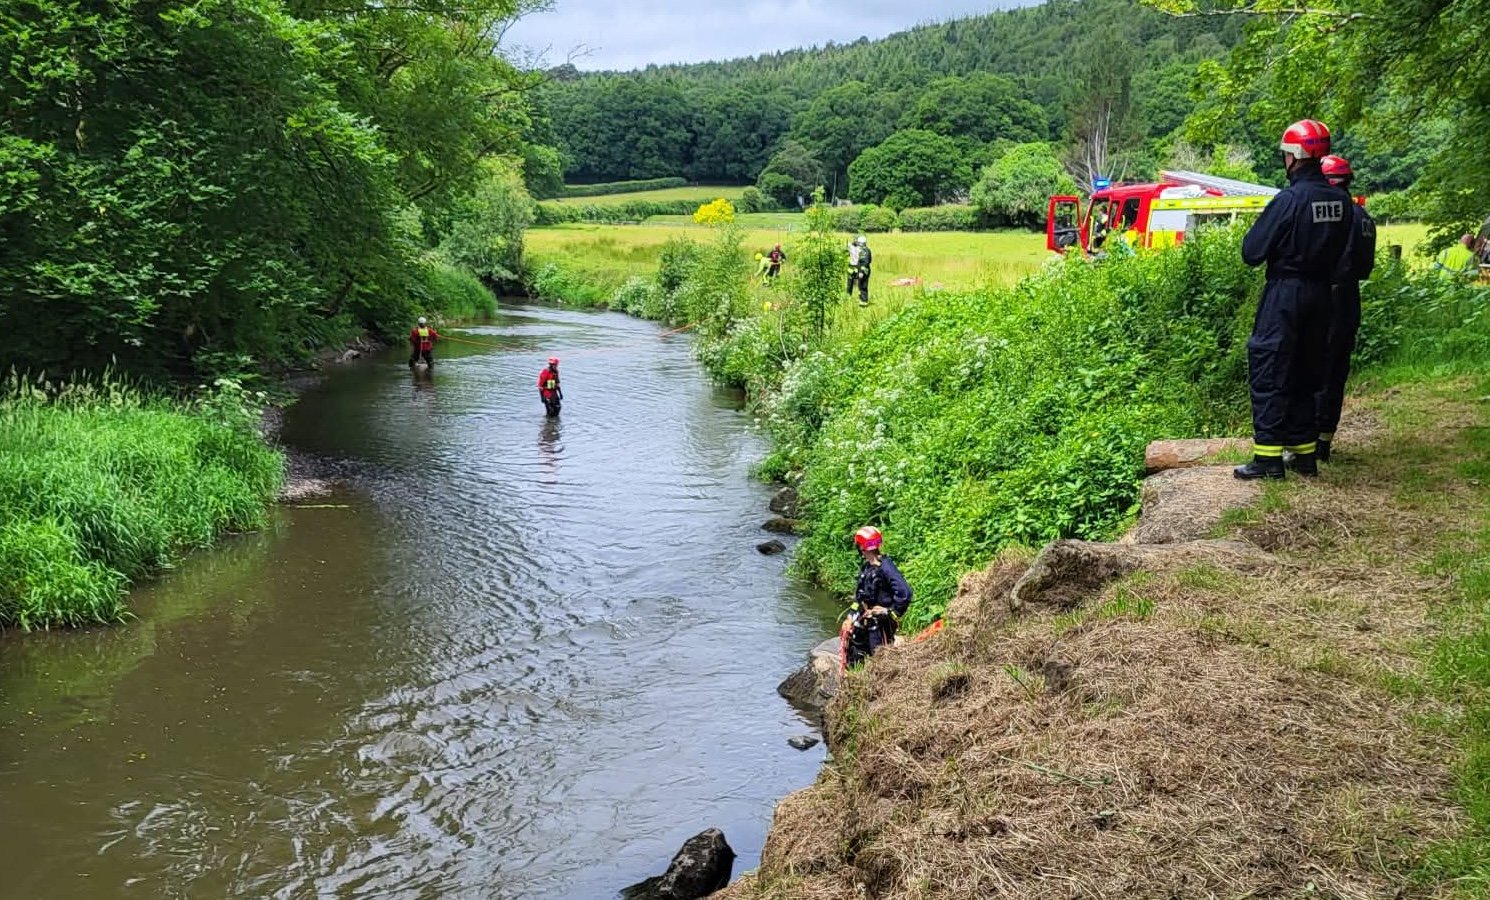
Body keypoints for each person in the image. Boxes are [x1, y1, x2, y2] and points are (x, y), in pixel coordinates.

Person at [1234, 119, 1353, 481]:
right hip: (1323, 296)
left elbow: (1252, 251)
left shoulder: (1289, 200)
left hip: (1286, 293)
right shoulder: (1341, 202)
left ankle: (1268, 458)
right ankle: (1304, 456)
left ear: (1294, 157)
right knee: (1308, 370)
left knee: (1271, 365)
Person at [1315, 155, 1377, 464]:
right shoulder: (1363, 216)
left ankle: (1308, 443)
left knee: (1315, 368)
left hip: (1329, 295)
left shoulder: (1336, 216)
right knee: (1336, 371)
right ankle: (1324, 441)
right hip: (1351, 298)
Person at [841, 525, 912, 669]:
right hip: (862, 624)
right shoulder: (867, 568)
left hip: (879, 627)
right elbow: (859, 599)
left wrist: (889, 611)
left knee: (880, 663)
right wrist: (850, 617)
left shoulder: (886, 568)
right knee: (854, 659)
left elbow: (905, 593)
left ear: (861, 547)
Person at [847, 235, 872, 307]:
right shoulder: (864, 249)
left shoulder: (864, 251)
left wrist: (861, 272)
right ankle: (862, 301)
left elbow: (865, 262)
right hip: (863, 270)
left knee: (863, 286)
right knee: (860, 286)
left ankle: (864, 302)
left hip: (864, 271)